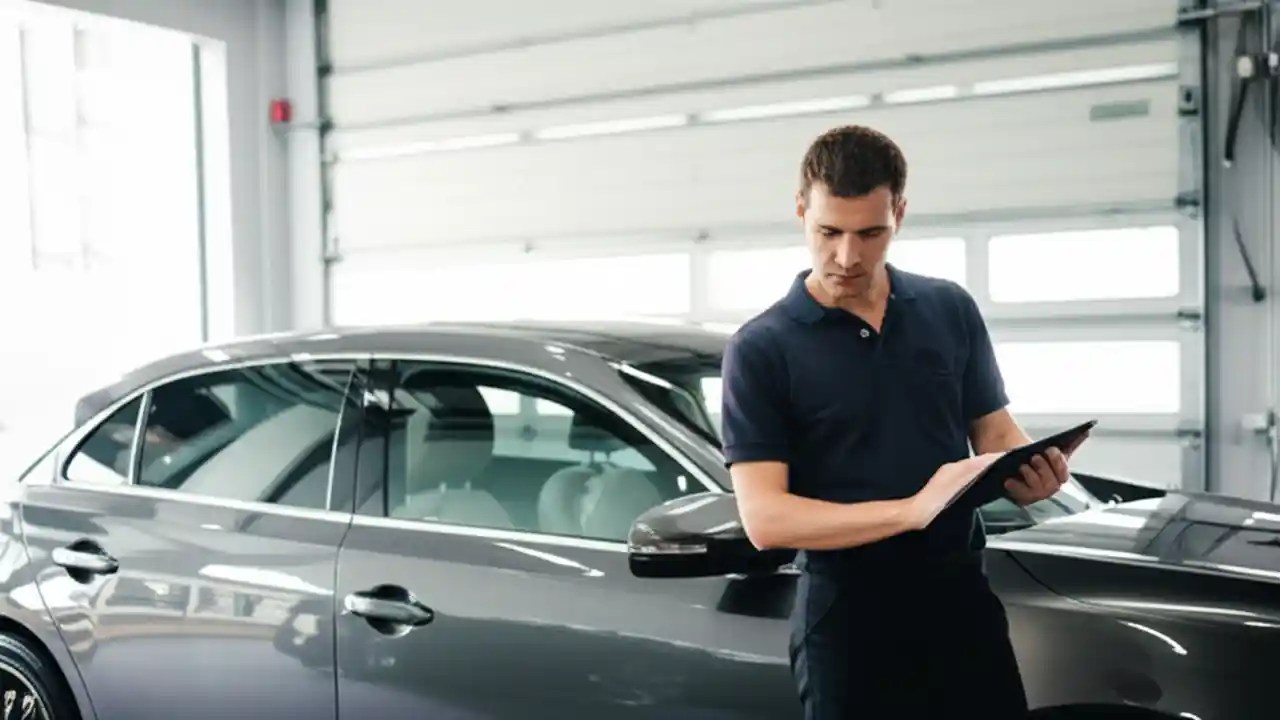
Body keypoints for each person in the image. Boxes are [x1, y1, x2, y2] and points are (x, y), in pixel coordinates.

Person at [720, 125, 1087, 719]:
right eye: (828, 232)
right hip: (847, 624)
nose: (847, 256)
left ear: (900, 215)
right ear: (800, 212)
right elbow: (766, 518)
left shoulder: (949, 309)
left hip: (960, 602)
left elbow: (993, 433)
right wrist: (910, 511)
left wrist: (1036, 471)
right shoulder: (761, 349)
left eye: (871, 233)